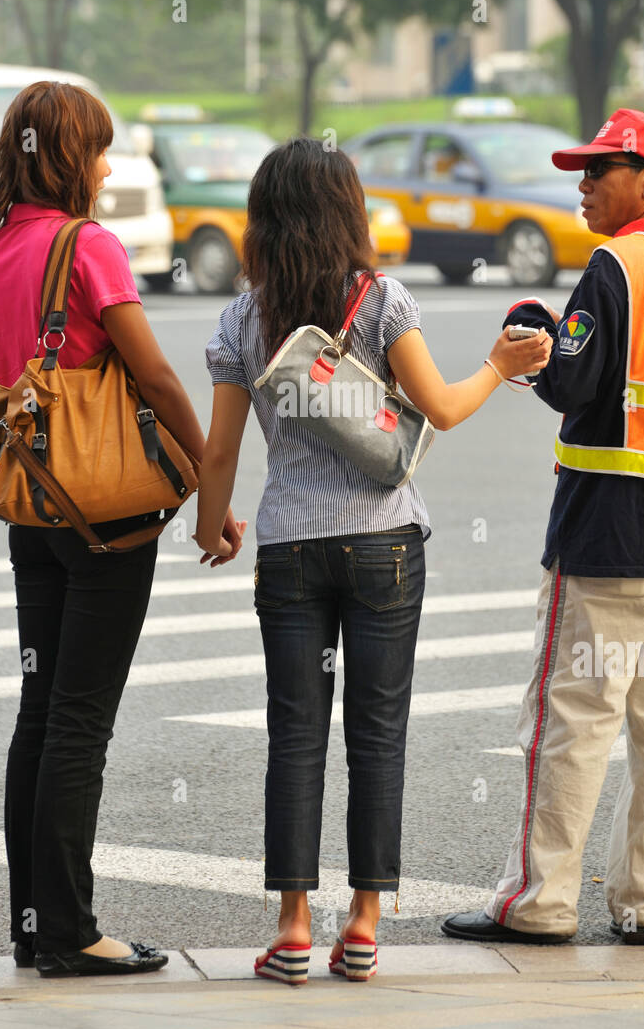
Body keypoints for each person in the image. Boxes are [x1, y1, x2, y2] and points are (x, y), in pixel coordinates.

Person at [196, 136, 552, 983]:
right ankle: (361, 923)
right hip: (384, 543)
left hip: (287, 546)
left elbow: (219, 453)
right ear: (348, 213)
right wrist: (498, 367)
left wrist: (214, 526)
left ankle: (290, 927)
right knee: (377, 734)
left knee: (294, 735)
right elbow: (441, 410)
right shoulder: (382, 300)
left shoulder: (243, 318)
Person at [441, 109, 644, 947]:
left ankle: (539, 904)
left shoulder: (617, 265)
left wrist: (537, 329)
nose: (582, 185)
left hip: (611, 541)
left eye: (601, 169)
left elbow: (572, 384)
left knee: (571, 721)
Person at [0, 80, 246, 977]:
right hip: (109, 519)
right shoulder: (89, 247)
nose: (106, 165)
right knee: (82, 723)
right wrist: (210, 484)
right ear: (68, 157)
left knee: (39, 716)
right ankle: (74, 933)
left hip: (35, 503)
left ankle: (34, 924)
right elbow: (157, 379)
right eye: (98, 150)